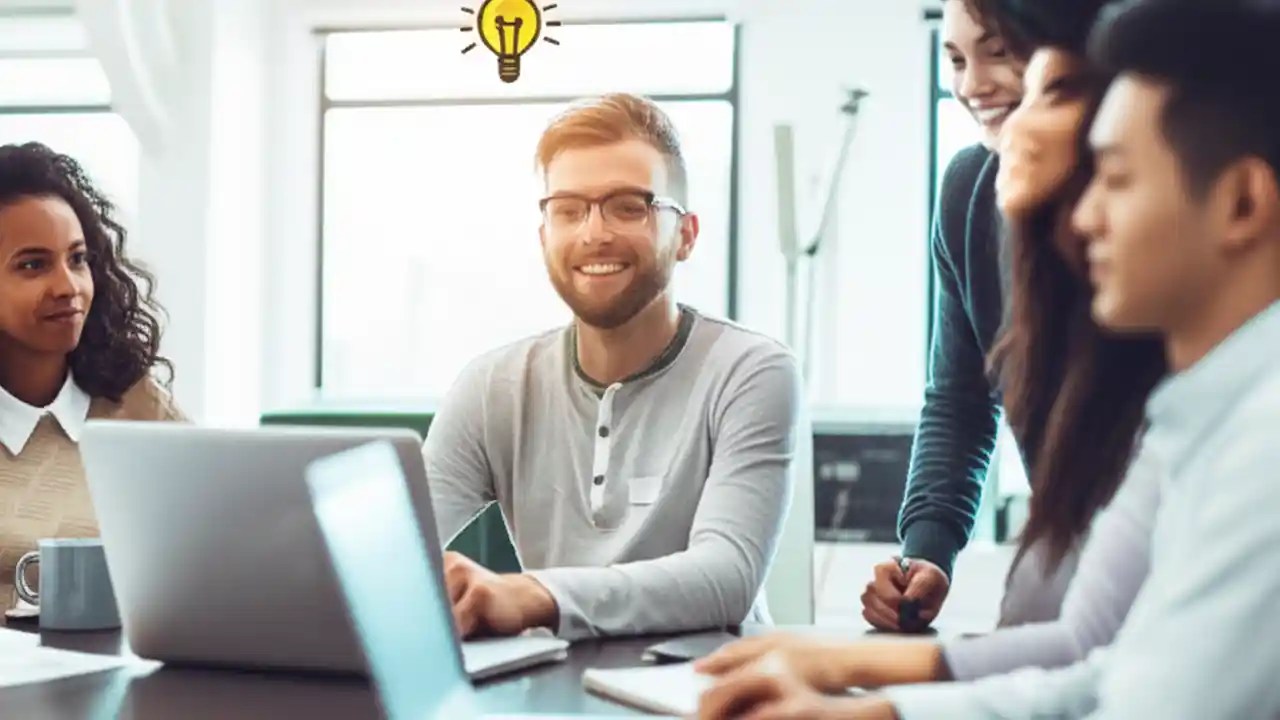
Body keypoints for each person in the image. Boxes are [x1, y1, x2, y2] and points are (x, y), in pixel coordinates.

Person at [698, 0, 1280, 716]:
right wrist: (871, 681)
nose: (978, 89)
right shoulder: (1190, 413)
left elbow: (1128, 682)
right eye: (954, 60)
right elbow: (1105, 663)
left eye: (1042, 80)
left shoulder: (1252, 438)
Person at [422, 93, 805, 641]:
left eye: (628, 206)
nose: (593, 233)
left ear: (686, 235)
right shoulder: (491, 387)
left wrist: (535, 594)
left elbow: (727, 577)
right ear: (543, 236)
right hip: (551, 690)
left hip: (714, 689)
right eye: (568, 209)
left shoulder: (752, 371)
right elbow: (392, 553)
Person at [861, 0, 1027, 631]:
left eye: (998, 51)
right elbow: (960, 398)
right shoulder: (970, 192)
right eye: (956, 59)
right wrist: (928, 549)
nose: (970, 85)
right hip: (1082, 557)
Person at [1, 142, 186, 612]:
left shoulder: (135, 402)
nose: (68, 287)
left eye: (78, 259)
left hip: (121, 669)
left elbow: (212, 539)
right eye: (32, 265)